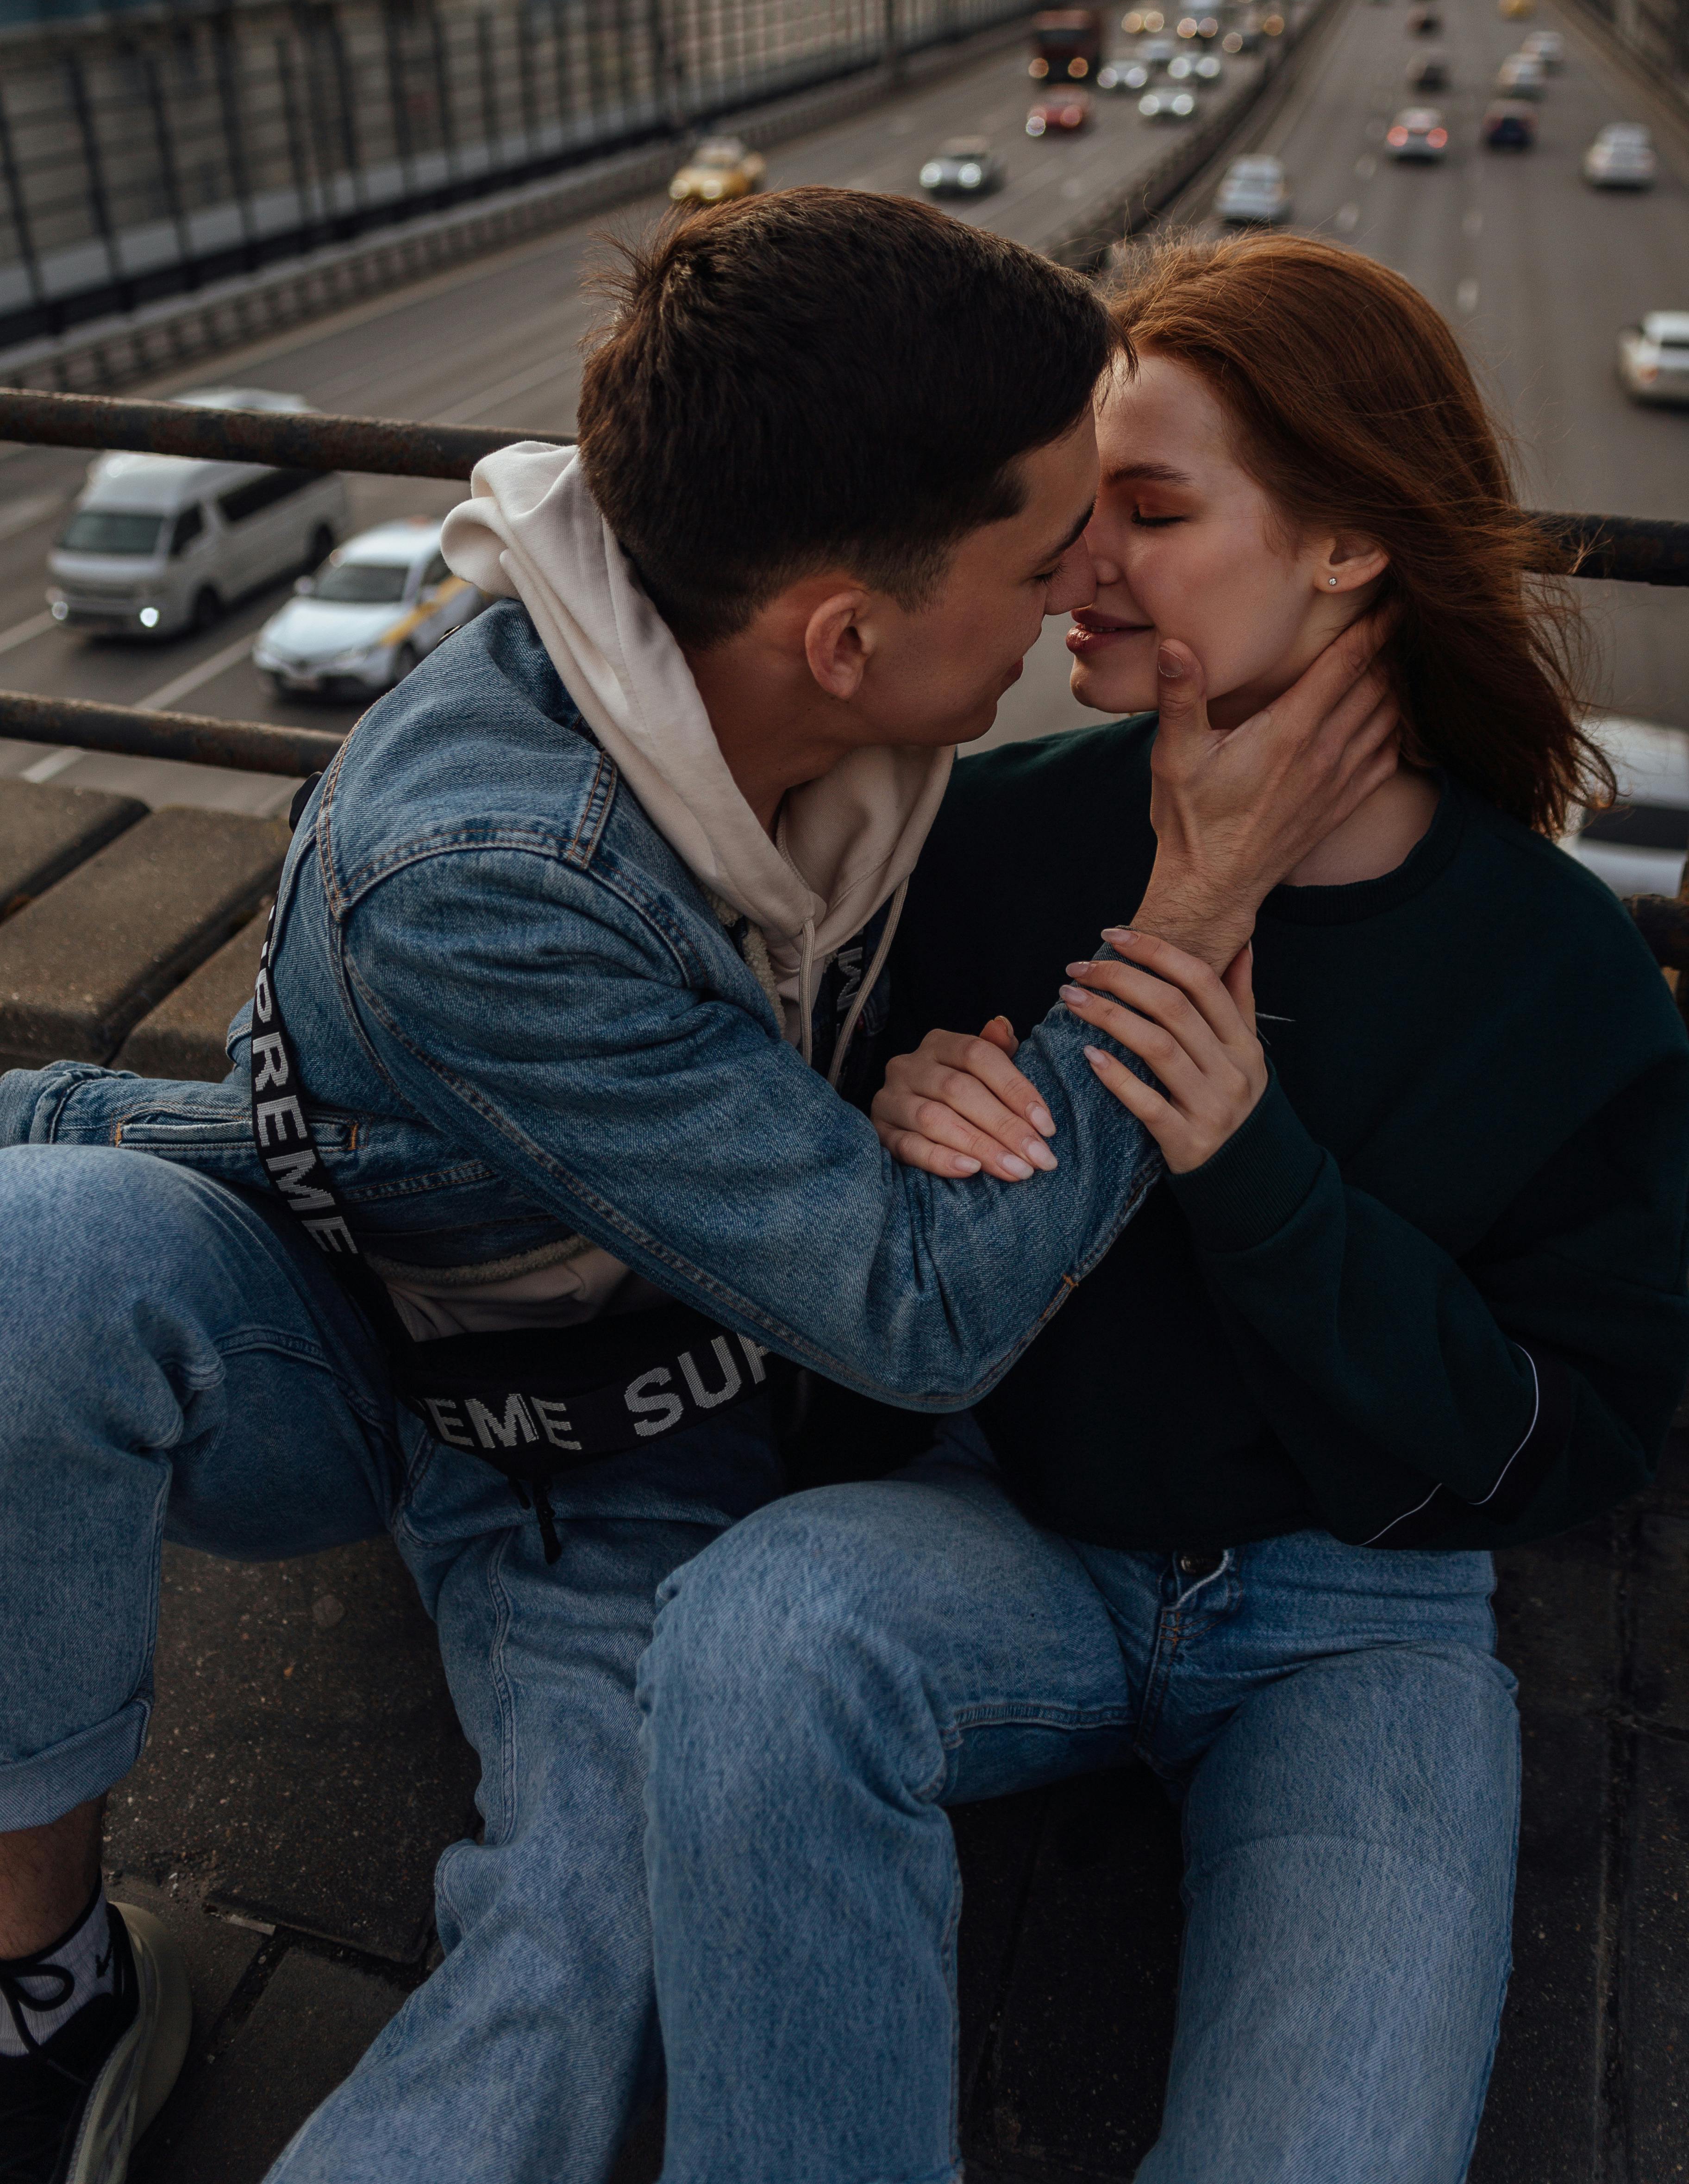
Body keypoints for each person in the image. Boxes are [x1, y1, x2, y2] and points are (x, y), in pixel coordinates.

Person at [0, 194, 1395, 2184]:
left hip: (622, 1417)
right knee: (36, 1263)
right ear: (847, 636)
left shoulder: (751, 595)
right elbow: (916, 1312)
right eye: (1042, 546)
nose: (1084, 579)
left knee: (589, 1951)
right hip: (362, 1334)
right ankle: (45, 1986)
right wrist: (1197, 902)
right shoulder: (492, 867)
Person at [635, 233, 1689, 2184]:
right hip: (1010, 1534)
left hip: (1353, 1622)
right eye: (1073, 507)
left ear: (1354, 543)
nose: (1070, 565)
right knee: (749, 1645)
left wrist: (1258, 1170)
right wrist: (879, 1146)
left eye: (1151, 509)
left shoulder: (1559, 967)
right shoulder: (995, 828)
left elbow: (1569, 1445)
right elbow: (844, 1393)